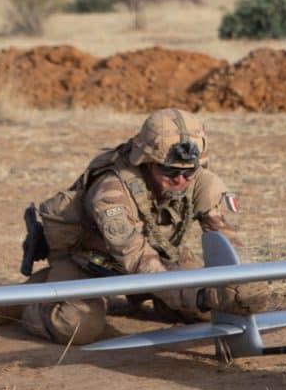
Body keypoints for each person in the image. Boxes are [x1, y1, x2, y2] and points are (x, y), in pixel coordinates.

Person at [20, 108, 251, 344]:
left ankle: (164, 304)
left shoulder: (203, 183)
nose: (179, 180)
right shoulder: (111, 190)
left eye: (188, 171)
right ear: (146, 161)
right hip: (91, 262)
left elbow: (227, 239)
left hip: (159, 256)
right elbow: (137, 259)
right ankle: (29, 301)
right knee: (76, 326)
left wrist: (242, 286)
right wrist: (199, 295)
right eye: (169, 170)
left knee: (208, 311)